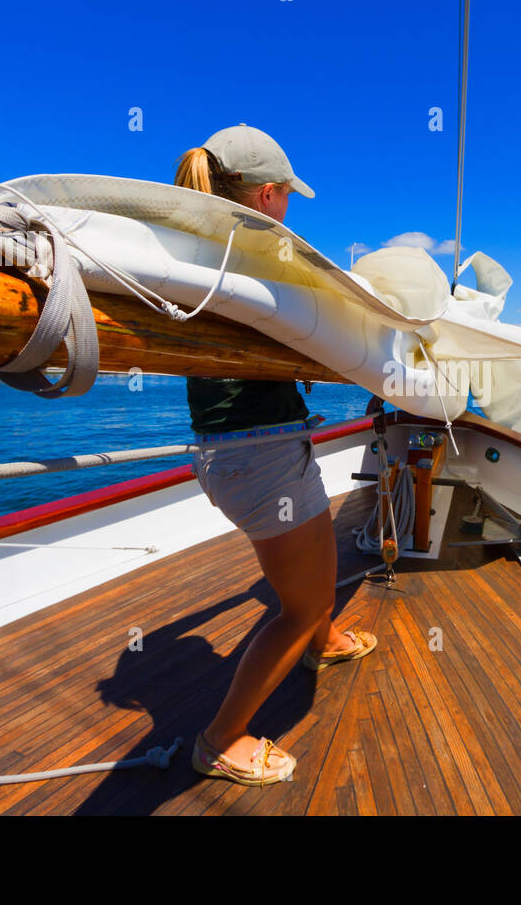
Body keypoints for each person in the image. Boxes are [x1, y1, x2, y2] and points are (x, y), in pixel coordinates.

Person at [175, 124, 377, 786]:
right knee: (300, 601)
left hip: (255, 449)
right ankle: (219, 739)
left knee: (313, 580)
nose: (289, 207)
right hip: (258, 456)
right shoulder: (256, 258)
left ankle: (322, 643)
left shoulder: (204, 253)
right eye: (286, 196)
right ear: (266, 195)